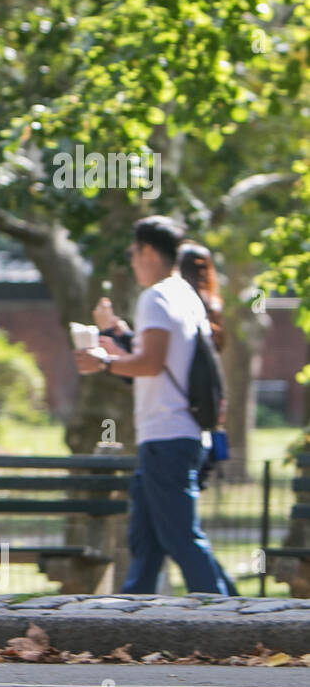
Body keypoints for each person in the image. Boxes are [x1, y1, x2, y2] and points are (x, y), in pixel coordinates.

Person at [74, 216, 233, 595]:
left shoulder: (157, 297)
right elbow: (161, 361)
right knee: (146, 543)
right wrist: (120, 343)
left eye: (133, 253)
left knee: (181, 539)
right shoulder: (184, 295)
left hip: (167, 436)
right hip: (172, 435)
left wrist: (105, 362)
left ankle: (228, 618)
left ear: (147, 250)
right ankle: (131, 618)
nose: (131, 261)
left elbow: (152, 363)